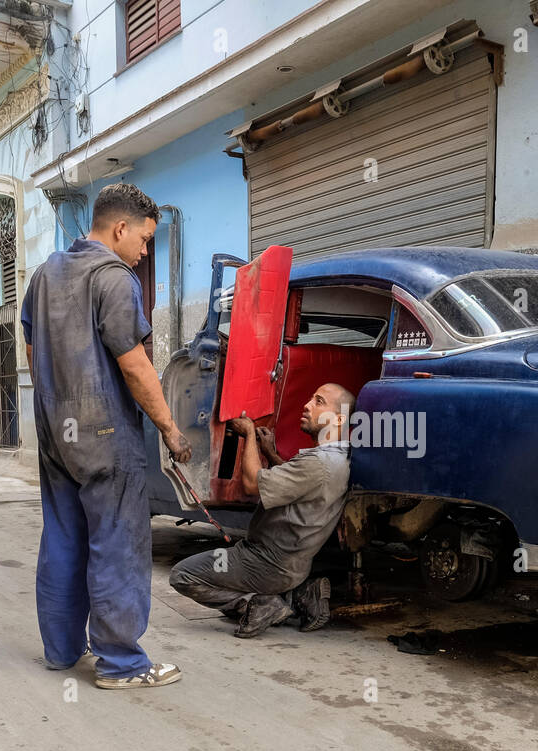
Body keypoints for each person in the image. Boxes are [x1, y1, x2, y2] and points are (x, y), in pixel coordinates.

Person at [21, 183, 192, 690]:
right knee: (117, 542)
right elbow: (135, 364)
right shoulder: (114, 279)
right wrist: (169, 429)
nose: (144, 252)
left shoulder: (45, 274)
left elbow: (32, 350)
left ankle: (61, 651)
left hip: (55, 430)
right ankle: (121, 663)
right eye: (144, 240)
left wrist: (57, 399)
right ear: (120, 228)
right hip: (105, 432)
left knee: (63, 535)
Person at [169, 383, 354, 638]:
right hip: (294, 565)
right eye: (311, 398)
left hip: (263, 563)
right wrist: (269, 452)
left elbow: (251, 484)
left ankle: (258, 604)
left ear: (339, 418)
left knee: (183, 575)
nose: (307, 405)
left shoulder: (318, 463)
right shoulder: (338, 458)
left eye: (319, 401)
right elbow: (297, 483)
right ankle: (300, 595)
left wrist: (249, 434)